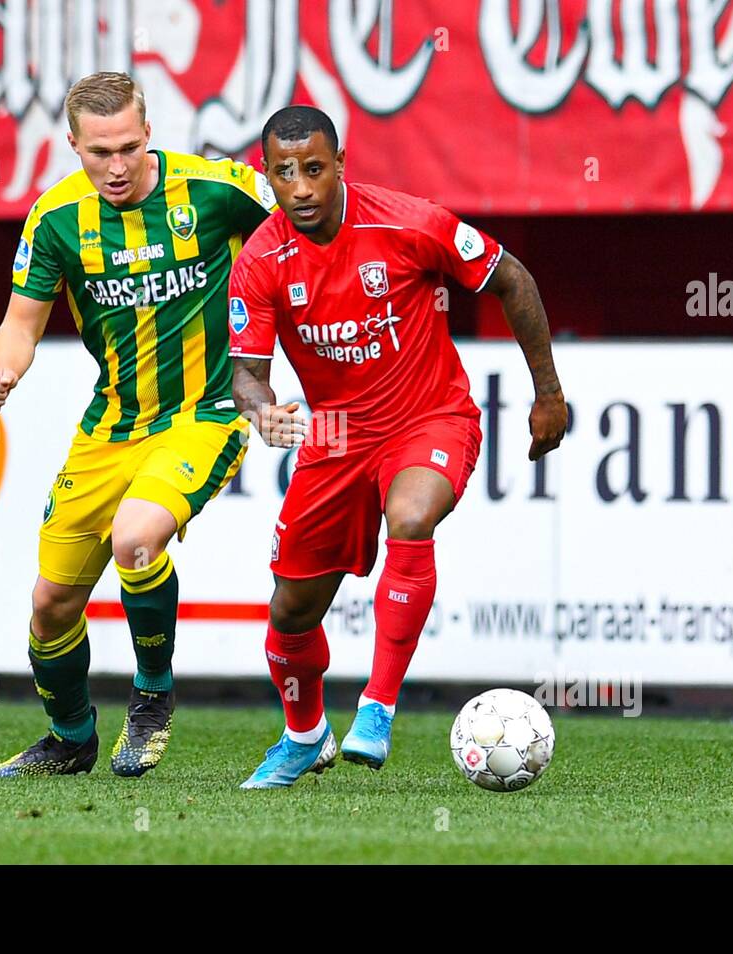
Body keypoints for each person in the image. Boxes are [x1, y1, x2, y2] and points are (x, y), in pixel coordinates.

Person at [227, 106, 568, 788]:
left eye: (314, 170)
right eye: (283, 173)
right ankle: (304, 736)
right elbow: (247, 375)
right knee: (290, 612)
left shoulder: (409, 222)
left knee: (411, 517)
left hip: (429, 415)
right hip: (334, 436)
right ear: (266, 176)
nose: (300, 188)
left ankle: (378, 708)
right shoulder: (261, 260)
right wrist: (262, 414)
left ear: (341, 163)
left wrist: (548, 394)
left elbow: (513, 279)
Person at [0, 71, 275, 778]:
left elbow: (308, 244)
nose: (116, 167)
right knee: (50, 605)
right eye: (99, 152)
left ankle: (152, 699)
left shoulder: (219, 190)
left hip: (205, 414)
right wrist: (4, 371)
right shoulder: (55, 219)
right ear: (74, 143)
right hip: (111, 423)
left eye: (130, 148)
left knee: (137, 537)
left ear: (150, 134)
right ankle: (70, 738)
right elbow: (20, 324)